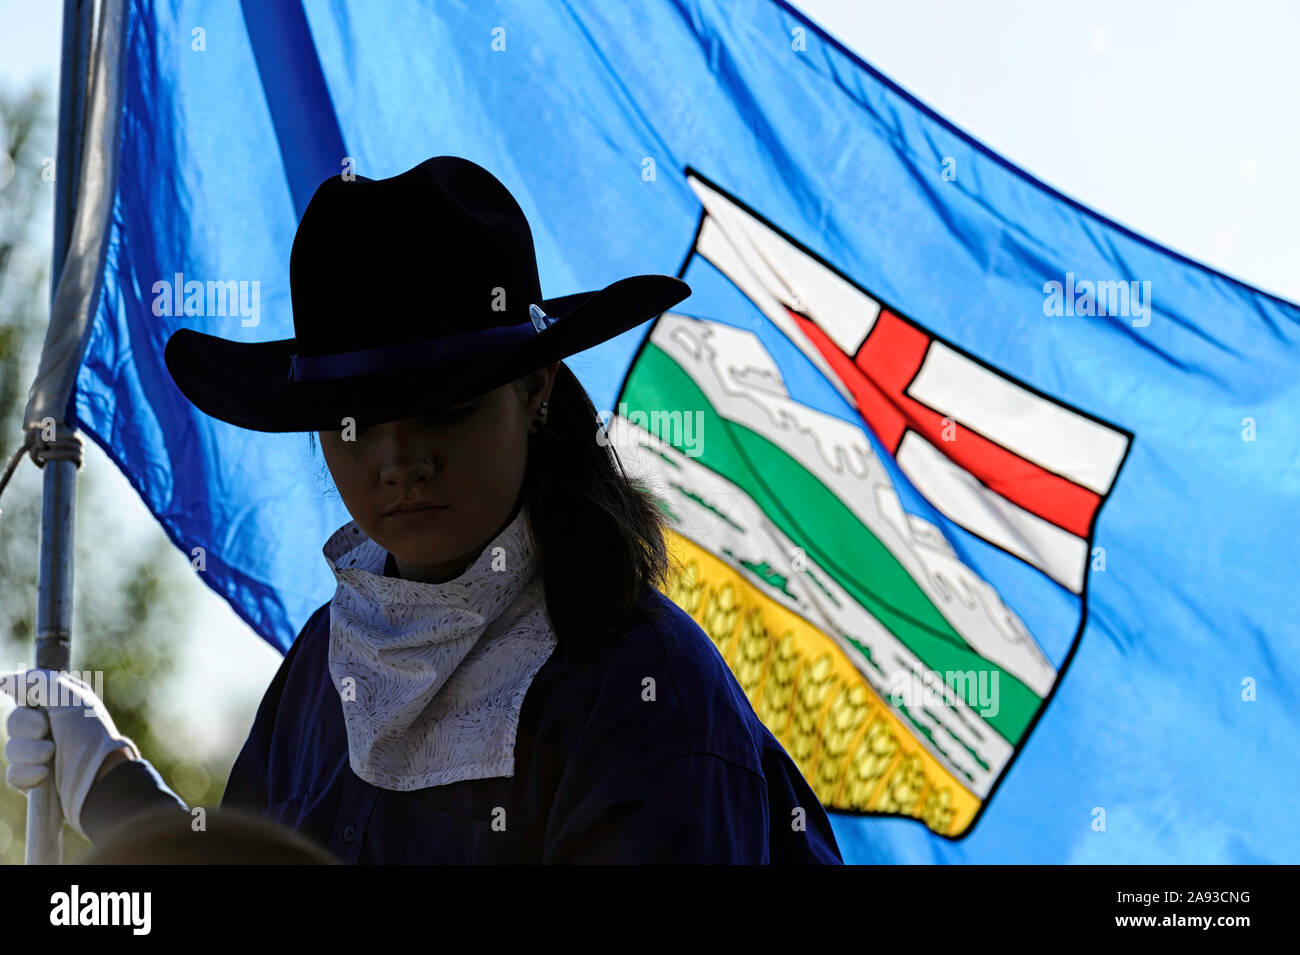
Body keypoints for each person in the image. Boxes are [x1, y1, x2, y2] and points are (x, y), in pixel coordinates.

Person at [3, 156, 844, 864]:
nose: (399, 459)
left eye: (447, 405)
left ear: (535, 391)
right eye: (355, 420)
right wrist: (104, 783)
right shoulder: (322, 665)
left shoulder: (648, 695)